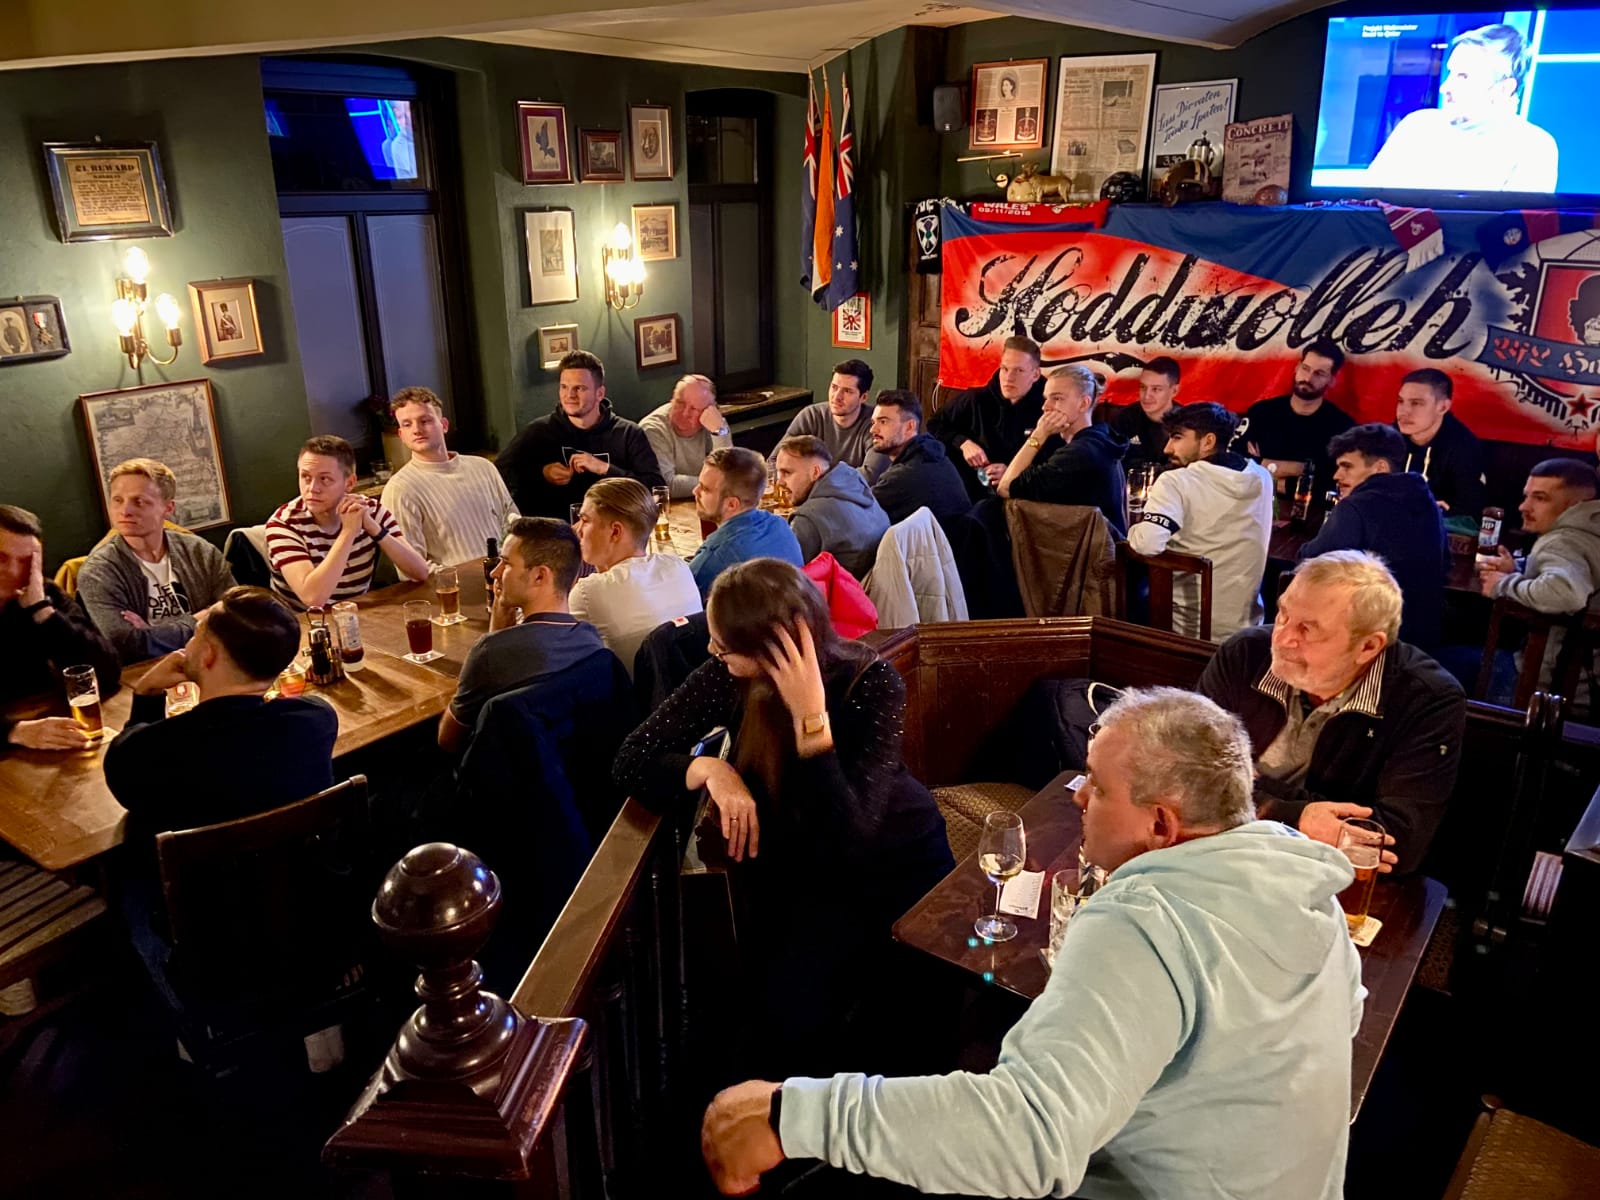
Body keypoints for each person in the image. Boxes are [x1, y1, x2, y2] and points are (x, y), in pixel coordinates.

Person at [700, 687, 1363, 1200]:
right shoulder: (1305, 891)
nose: (1079, 798)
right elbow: (1346, 1015)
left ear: (1161, 824)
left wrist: (791, 1115)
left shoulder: (1144, 918)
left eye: (1097, 787)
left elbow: (1032, 1133)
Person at [615, 558, 953, 1076]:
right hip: (803, 872)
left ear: (773, 644)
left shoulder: (872, 680)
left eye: (723, 645)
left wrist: (811, 719)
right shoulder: (726, 676)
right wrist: (709, 769)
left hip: (896, 864)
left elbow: (851, 837)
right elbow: (632, 757)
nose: (711, 651)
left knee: (906, 1027)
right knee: (778, 1029)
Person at [103, 587, 339, 1003]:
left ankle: (183, 1020)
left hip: (208, 940)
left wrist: (144, 697)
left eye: (195, 635)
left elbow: (126, 767)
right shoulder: (315, 721)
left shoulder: (153, 752)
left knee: (121, 883)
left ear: (208, 655)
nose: (187, 644)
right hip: (309, 919)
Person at [1198, 551, 1465, 875]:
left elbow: (1397, 842)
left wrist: (1243, 783)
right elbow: (1185, 769)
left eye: (1307, 629)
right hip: (1223, 851)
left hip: (1324, 878)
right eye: (1283, 614)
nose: (1282, 638)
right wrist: (1298, 815)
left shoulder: (1427, 699)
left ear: (1368, 647)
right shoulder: (1245, 654)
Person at [438, 517, 606, 753]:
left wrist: (494, 637)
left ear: (540, 576)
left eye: (506, 564)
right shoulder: (591, 639)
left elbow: (448, 740)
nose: (495, 573)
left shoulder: (489, 654)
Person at [1126, 403, 1273, 641]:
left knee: (1124, 600)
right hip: (1247, 631)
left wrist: (1133, 529)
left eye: (1177, 437)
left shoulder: (1176, 481)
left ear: (1208, 441)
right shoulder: (1262, 477)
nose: (1167, 448)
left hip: (1188, 629)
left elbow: (1148, 544)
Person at [1302, 424, 1449, 651]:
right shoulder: (1428, 504)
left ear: (1380, 467)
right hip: (1423, 645)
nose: (1336, 475)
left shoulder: (1356, 506)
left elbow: (1312, 562)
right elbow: (1446, 565)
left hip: (1366, 641)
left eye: (1347, 467)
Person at [76, 458, 236, 664]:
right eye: (117, 500)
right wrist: (201, 618)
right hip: (145, 672)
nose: (125, 511)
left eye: (139, 501)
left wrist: (152, 634)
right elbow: (126, 645)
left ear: (168, 508)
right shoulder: (99, 571)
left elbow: (235, 613)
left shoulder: (199, 551)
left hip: (210, 660)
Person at [1366, 24, 1558, 193]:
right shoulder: (1417, 126)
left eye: (1463, 76)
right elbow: (1363, 204)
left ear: (1503, 89)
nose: (1444, 88)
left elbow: (1517, 230)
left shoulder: (1534, 148)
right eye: (1451, 73)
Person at [0, 504, 119, 752]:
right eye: (1, 558)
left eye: (25, 562)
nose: (12, 571)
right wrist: (13, 731)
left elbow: (106, 673)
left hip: (48, 741)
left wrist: (43, 612)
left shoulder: (44, 596)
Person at [1477, 459, 1600, 696]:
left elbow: (1566, 593)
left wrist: (1502, 584)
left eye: (1540, 498)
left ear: (1575, 505)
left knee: (1437, 665)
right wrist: (1521, 571)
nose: (1524, 506)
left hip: (1549, 689)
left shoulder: (1563, 541)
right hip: (1585, 687)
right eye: (1526, 496)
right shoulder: (1589, 532)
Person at [266, 435, 429, 610]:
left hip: (357, 613)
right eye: (306, 477)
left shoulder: (371, 511)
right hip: (302, 625)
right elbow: (313, 598)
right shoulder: (284, 523)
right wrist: (348, 532)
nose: (312, 488)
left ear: (349, 483)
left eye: (325, 479)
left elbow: (420, 572)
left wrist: (372, 527)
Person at [495, 350, 665, 518]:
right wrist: (542, 473)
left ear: (600, 393)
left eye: (579, 388)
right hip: (554, 536)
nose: (570, 395)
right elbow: (497, 475)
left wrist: (605, 468)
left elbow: (656, 490)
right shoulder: (538, 432)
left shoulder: (629, 434)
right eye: (564, 387)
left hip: (614, 533)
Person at [569, 479, 702, 678]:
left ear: (615, 532)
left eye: (585, 520)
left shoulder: (588, 593)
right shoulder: (678, 565)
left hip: (635, 704)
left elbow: (563, 661)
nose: (576, 529)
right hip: (688, 695)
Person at [379, 386, 519, 568]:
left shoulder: (483, 467)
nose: (417, 430)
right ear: (401, 435)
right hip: (453, 589)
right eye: (407, 424)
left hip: (505, 576)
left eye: (425, 420)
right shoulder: (399, 489)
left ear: (444, 425)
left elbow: (514, 524)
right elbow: (411, 569)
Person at [997, 364, 1128, 534]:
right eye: (1046, 398)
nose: (1046, 407)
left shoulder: (1080, 454)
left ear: (1083, 404)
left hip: (1093, 556)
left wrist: (1039, 434)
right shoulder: (1099, 439)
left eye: (1057, 398)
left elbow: (1005, 487)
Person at [929, 335, 1048, 500]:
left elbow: (1054, 464)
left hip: (1023, 495)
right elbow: (934, 425)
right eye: (1005, 369)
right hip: (970, 492)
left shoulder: (1048, 409)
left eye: (1019, 370)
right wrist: (962, 442)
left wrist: (1013, 473)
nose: (1009, 377)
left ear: (1035, 375)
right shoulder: (976, 399)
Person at [1232, 337, 1354, 493]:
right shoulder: (1262, 412)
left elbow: (1332, 481)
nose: (1308, 378)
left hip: (1308, 512)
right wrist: (1303, 469)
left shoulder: (1342, 427)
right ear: (1297, 367)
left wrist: (1262, 465)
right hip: (1251, 503)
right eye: (1305, 368)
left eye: (1319, 374)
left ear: (1331, 380)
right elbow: (1236, 460)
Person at [688, 448, 803, 598]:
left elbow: (682, 600)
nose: (695, 491)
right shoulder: (780, 526)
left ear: (731, 504)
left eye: (705, 489)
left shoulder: (715, 557)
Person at [774, 436, 890, 579]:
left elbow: (789, 579)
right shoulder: (853, 482)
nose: (779, 482)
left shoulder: (808, 519)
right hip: (871, 586)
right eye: (778, 473)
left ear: (815, 472)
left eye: (787, 473)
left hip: (841, 596)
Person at [1394, 368, 1487, 522]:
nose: (1404, 411)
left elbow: (1470, 511)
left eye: (1416, 403)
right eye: (1400, 401)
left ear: (1443, 407)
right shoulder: (1387, 439)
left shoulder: (1463, 447)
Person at [770, 360, 888, 480]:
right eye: (834, 387)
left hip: (852, 497)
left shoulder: (876, 424)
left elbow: (869, 476)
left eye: (847, 391)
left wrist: (812, 479)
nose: (837, 397)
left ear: (863, 397)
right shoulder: (812, 415)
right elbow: (773, 462)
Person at [868, 390, 971, 525]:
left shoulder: (904, 476)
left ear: (910, 426)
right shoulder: (934, 456)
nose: (873, 430)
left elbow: (855, 514)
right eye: (873, 422)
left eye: (883, 422)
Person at [640, 374, 733, 499]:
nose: (685, 413)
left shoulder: (714, 422)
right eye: (680, 403)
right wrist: (714, 483)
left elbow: (729, 472)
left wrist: (720, 432)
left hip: (707, 500)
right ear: (671, 399)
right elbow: (665, 484)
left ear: (710, 409)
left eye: (694, 408)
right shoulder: (653, 429)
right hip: (669, 509)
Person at [1101, 356, 1182, 469]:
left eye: (1156, 389)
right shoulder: (1125, 418)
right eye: (1143, 387)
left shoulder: (1187, 423)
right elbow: (1110, 462)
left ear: (1174, 391)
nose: (1146, 396)